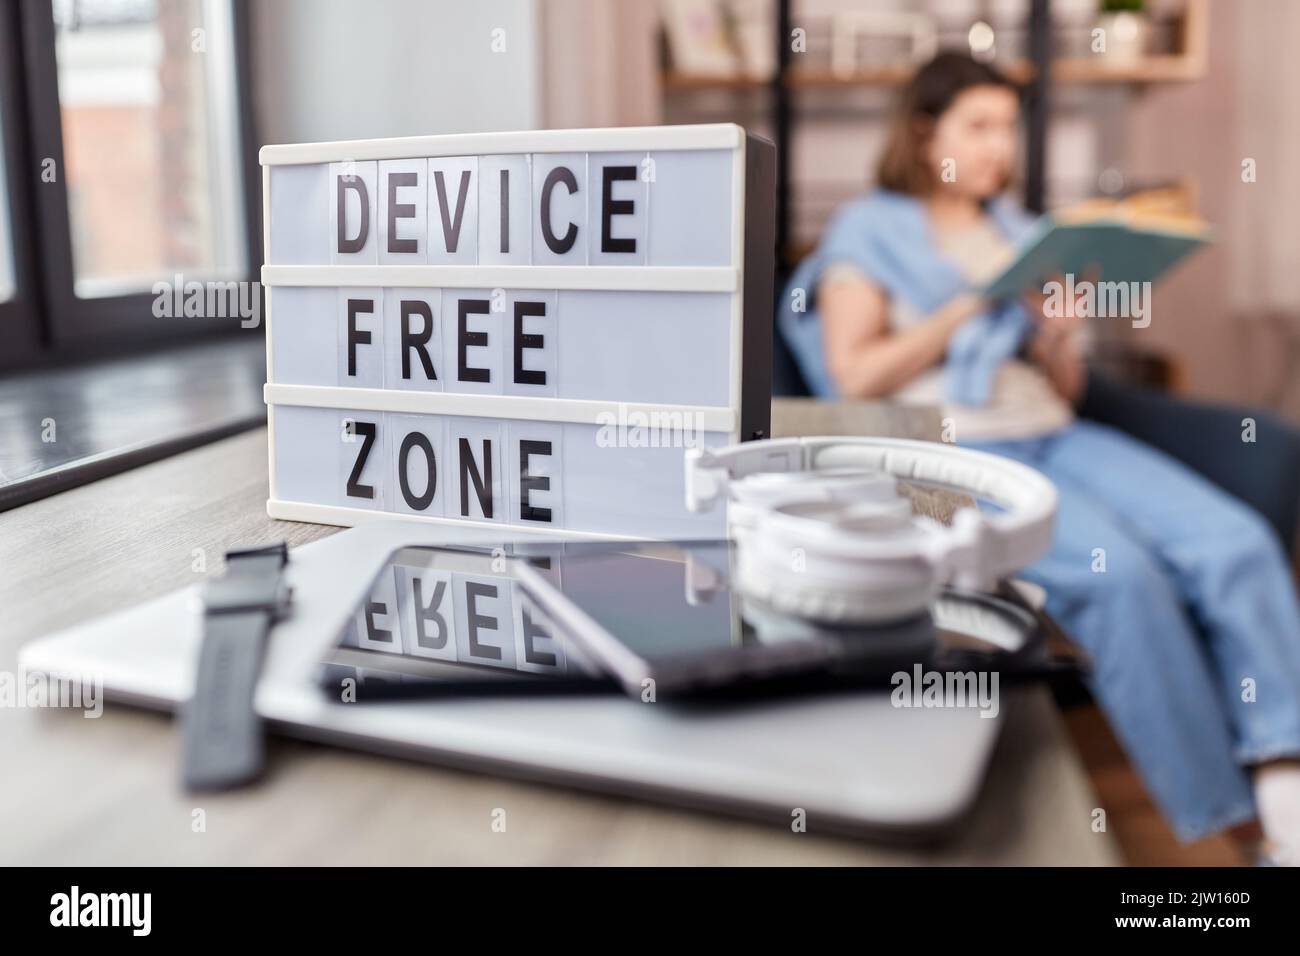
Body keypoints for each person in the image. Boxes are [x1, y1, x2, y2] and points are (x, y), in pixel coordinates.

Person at [779, 51, 1300, 862]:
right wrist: (969, 305)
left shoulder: (1023, 232)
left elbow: (1067, 384)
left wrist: (1055, 331)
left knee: (1236, 541)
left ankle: (1284, 783)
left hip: (1054, 427)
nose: (999, 147)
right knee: (1121, 579)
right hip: (953, 448)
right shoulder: (868, 232)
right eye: (977, 126)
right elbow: (855, 374)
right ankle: (1240, 835)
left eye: (1008, 127)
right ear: (924, 135)